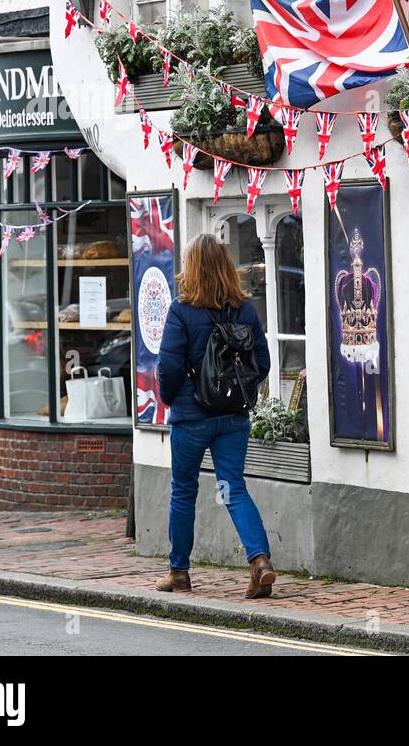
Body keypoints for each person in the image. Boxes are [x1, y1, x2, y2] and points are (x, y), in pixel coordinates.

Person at [155, 233, 276, 599]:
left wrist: (171, 399)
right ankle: (260, 563)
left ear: (191, 267)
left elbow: (169, 367)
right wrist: (239, 394)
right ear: (226, 267)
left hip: (192, 420)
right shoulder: (245, 310)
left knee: (184, 491)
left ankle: (179, 572)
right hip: (233, 418)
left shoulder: (182, 310)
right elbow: (264, 363)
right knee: (232, 488)